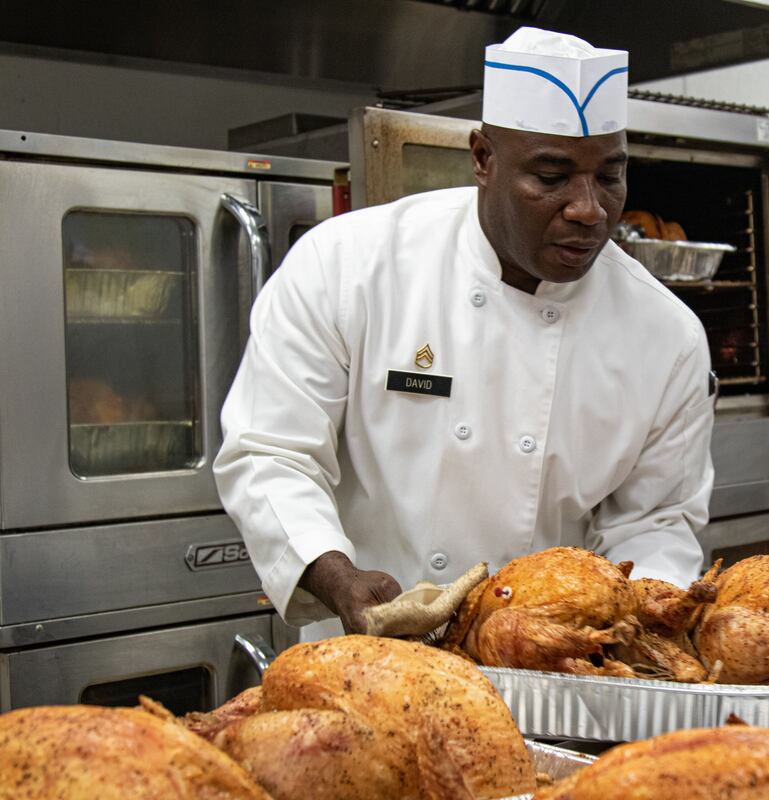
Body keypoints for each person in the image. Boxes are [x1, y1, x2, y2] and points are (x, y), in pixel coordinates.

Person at [214, 26, 716, 641]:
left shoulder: (666, 336)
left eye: (609, 176)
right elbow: (270, 451)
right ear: (483, 158)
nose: (588, 208)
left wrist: (620, 632)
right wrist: (335, 575)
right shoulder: (348, 265)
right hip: (366, 660)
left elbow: (657, 523)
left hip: (555, 666)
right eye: (552, 176)